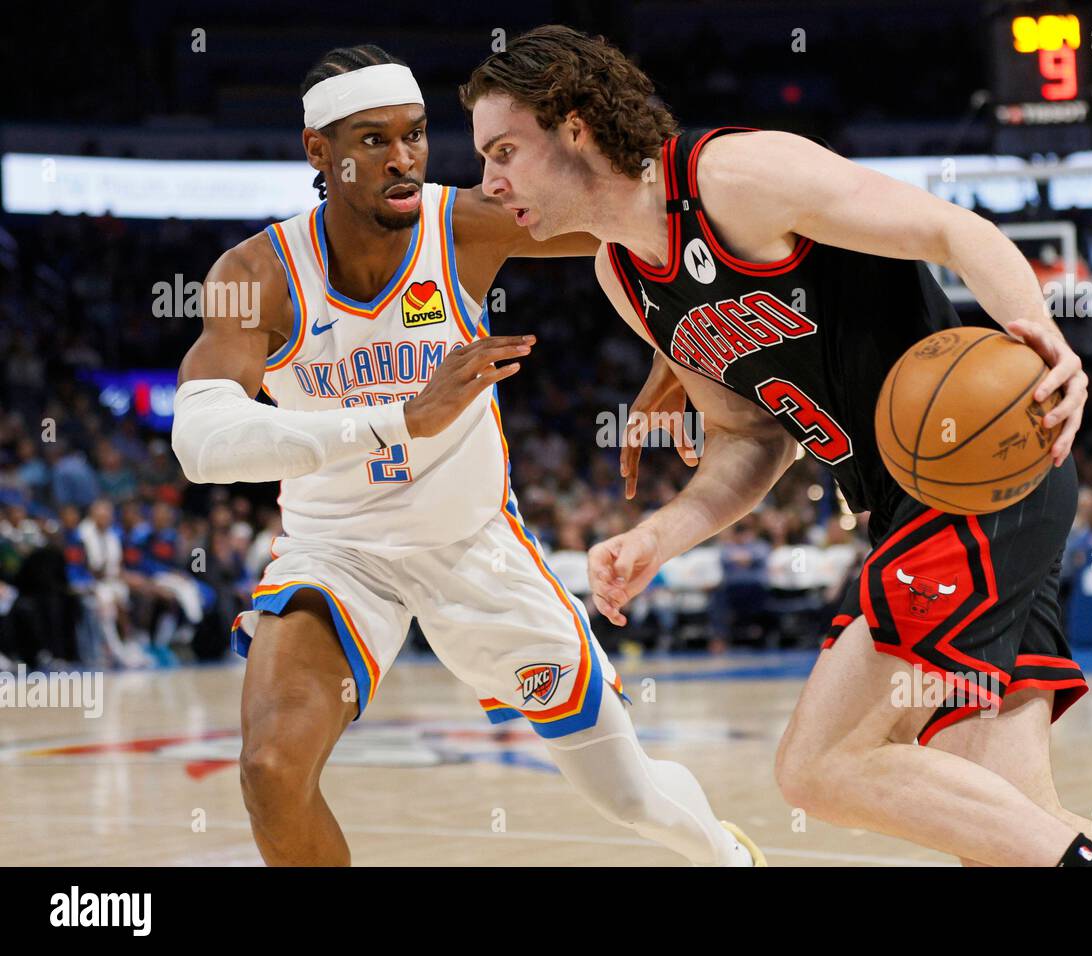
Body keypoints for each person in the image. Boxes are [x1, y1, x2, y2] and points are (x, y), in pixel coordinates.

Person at [460, 24, 1092, 866]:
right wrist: (657, 537)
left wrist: (1044, 340)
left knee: (818, 768)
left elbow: (951, 231)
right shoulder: (622, 275)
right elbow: (750, 440)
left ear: (576, 124)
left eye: (506, 149)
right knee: (1010, 830)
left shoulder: (733, 177)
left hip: (973, 482)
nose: (490, 180)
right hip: (915, 511)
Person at [170, 44, 760, 867]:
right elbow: (200, 442)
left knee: (628, 795)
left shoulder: (464, 224)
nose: (403, 158)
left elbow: (641, 218)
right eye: (372, 141)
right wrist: (398, 419)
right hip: (339, 553)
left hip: (476, 546)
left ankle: (729, 857)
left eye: (413, 135)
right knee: (271, 771)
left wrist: (677, 330)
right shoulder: (257, 274)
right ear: (319, 153)